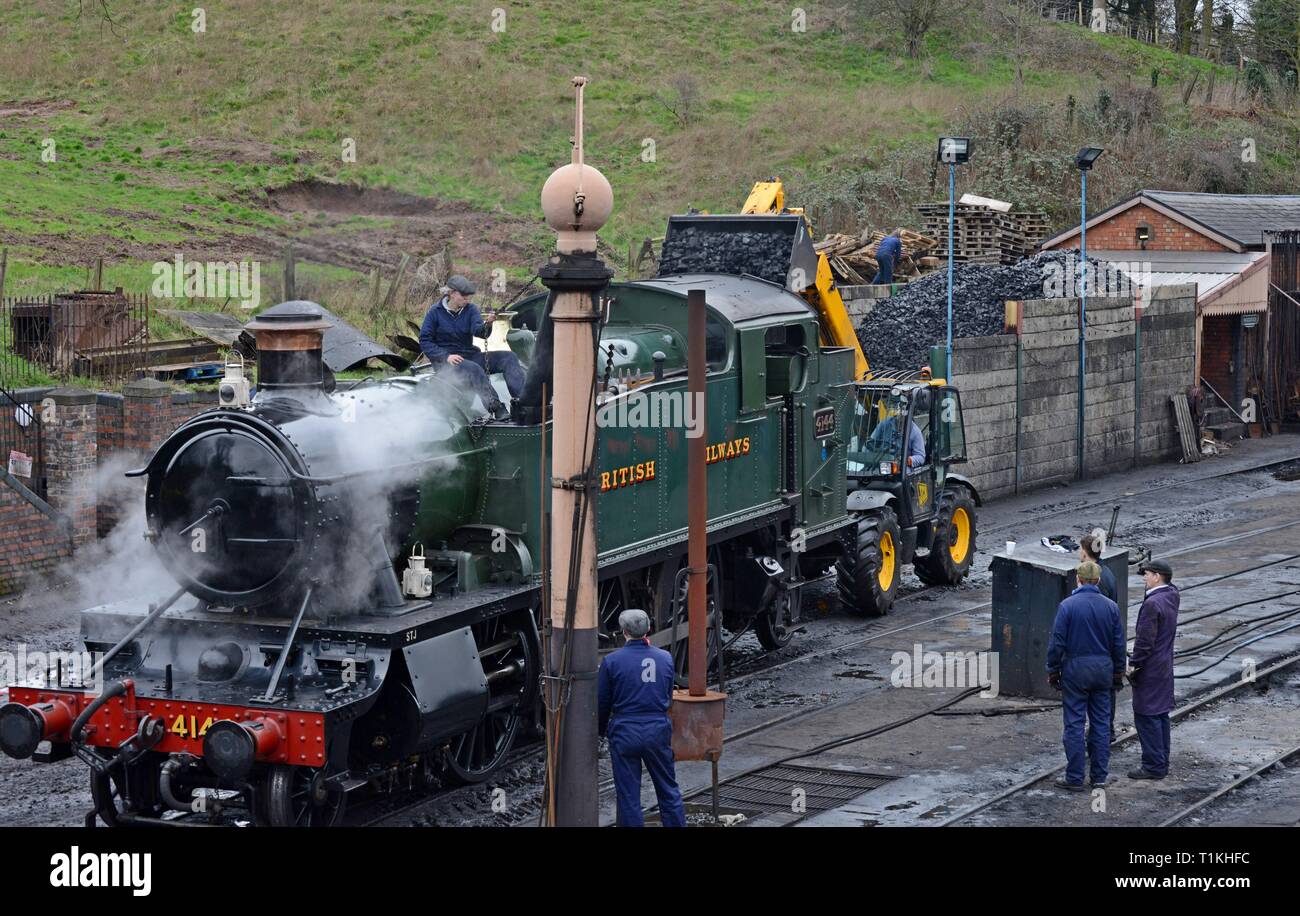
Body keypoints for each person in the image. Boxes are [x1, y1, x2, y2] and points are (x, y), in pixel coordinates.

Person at [597, 608, 686, 828]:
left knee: (628, 795)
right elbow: (667, 695)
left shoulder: (611, 661)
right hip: (657, 729)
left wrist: (601, 731)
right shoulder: (665, 658)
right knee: (668, 789)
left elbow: (602, 702)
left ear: (623, 631)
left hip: (625, 731)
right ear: (649, 629)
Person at [1046, 560, 1126, 791]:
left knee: (1074, 724)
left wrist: (1053, 670)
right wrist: (1118, 672)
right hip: (1103, 672)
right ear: (1098, 581)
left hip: (1075, 671)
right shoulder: (1111, 607)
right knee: (1101, 724)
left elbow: (1057, 642)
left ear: (1078, 580)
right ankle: (1099, 777)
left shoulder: (1067, 606)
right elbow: (1118, 643)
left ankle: (1074, 777)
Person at [418, 274, 525, 418]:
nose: (467, 300)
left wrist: (488, 324)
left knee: (509, 357)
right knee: (474, 369)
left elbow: (479, 332)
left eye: (468, 297)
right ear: (452, 293)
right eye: (464, 296)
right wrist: (446, 356)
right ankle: (496, 407)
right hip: (447, 363)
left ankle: (523, 403)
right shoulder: (434, 312)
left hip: (470, 356)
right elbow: (425, 341)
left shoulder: (471, 309)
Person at [1128, 558, 1178, 781]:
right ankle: (1161, 760)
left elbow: (1145, 640)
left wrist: (1134, 663)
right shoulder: (1172, 595)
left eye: (1147, 574)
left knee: (1146, 715)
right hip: (1164, 664)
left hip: (1150, 668)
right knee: (1160, 714)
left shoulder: (1152, 604)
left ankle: (1153, 766)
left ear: (1157, 576)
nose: (1144, 579)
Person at [1078, 533, 1117, 602]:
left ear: (1084, 553)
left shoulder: (1095, 577)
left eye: (1080, 549)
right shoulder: (1105, 570)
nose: (1078, 552)